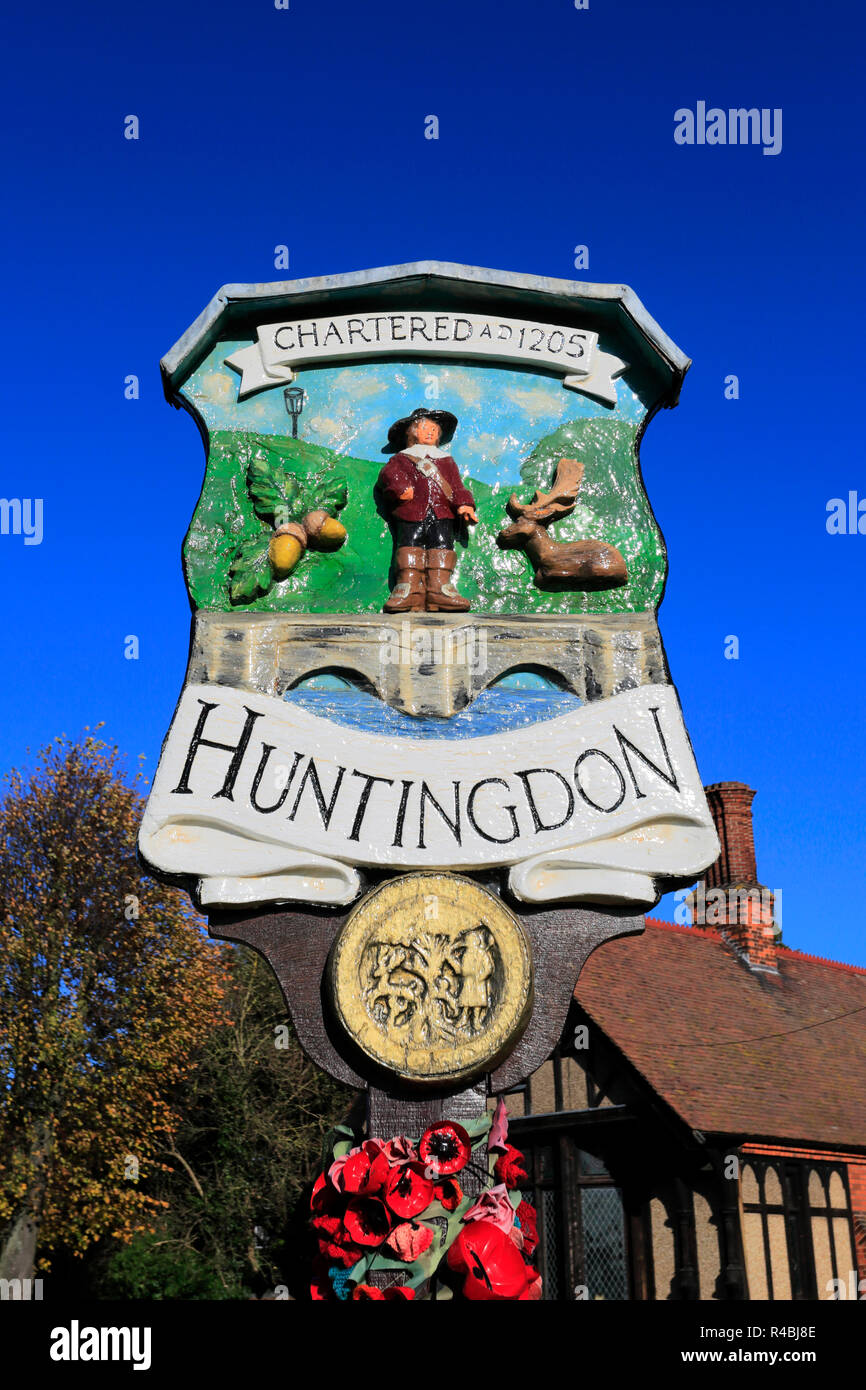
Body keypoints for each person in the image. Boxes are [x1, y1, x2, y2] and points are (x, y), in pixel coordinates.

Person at [378, 408, 478, 612]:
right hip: (411, 512)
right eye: (425, 428)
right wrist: (399, 489)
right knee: (409, 544)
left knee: (442, 545)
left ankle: (440, 589)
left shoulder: (445, 460)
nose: (431, 432)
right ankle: (407, 588)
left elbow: (456, 486)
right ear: (411, 432)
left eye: (435, 429)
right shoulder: (402, 459)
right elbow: (388, 475)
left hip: (442, 513)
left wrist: (465, 504)